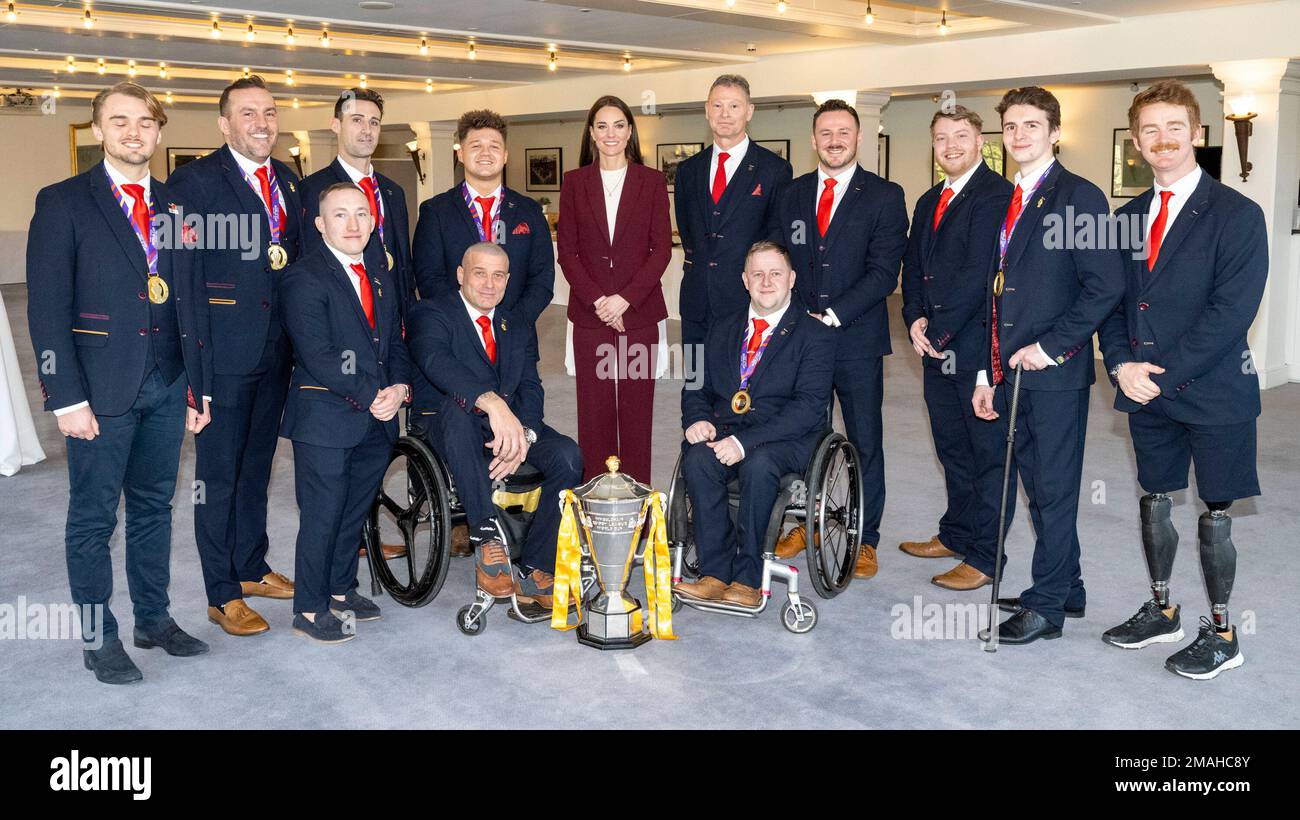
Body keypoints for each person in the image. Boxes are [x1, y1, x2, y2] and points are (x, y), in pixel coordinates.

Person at [27, 81, 211, 683]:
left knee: (155, 507)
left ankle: (152, 620)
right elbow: (47, 310)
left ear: (159, 133)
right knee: (93, 517)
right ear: (98, 130)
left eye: (146, 122)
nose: (135, 132)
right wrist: (64, 398)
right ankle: (97, 637)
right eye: (121, 121)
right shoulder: (63, 202)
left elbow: (188, 300)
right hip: (97, 393)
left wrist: (196, 387)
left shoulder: (179, 207)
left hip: (167, 382)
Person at [1097, 80, 1266, 679]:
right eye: (1150, 131)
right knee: (1156, 498)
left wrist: (1157, 377)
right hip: (1144, 391)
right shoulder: (1126, 218)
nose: (1162, 140)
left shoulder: (1238, 215)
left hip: (1213, 393)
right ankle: (1163, 609)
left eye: (1175, 128)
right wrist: (1120, 365)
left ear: (1197, 134)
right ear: (1137, 145)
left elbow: (1230, 314)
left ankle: (1223, 633)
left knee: (1214, 510)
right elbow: (1111, 304)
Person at [972, 86, 1126, 644]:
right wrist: (988, 371)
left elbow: (1104, 285)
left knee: (1055, 487)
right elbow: (994, 296)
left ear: (1055, 132)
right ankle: (1069, 585)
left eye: (1031, 125)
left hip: (1054, 373)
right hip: (1009, 368)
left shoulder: (1080, 197)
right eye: (1010, 127)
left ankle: (1047, 607)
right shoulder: (1005, 200)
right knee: (1037, 483)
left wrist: (1053, 347)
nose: (1019, 136)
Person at [168, 75, 303, 637]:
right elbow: (181, 277)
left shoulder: (290, 184)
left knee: (257, 468)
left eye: (269, 113)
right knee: (217, 478)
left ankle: (250, 565)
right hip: (220, 354)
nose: (261, 124)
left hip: (277, 351)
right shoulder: (192, 182)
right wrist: (191, 372)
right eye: (248, 114)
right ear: (224, 124)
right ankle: (220, 593)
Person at [771, 98, 909, 580]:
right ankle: (805, 522)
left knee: (864, 439)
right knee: (804, 433)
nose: (834, 140)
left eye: (843, 133)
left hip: (855, 341)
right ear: (814, 140)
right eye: (825, 133)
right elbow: (779, 261)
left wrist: (831, 315)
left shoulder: (885, 196)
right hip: (799, 345)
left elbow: (883, 272)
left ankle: (864, 537)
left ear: (858, 138)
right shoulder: (790, 195)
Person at [406, 242, 583, 607]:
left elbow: (532, 387)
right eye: (479, 273)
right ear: (460, 274)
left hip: (508, 425)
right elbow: (435, 360)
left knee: (567, 455)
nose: (489, 283)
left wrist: (527, 433)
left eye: (498, 275)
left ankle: (537, 565)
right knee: (458, 413)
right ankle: (487, 537)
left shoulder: (516, 321)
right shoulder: (430, 312)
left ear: (507, 279)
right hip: (446, 424)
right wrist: (491, 402)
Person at [278, 183, 411, 643]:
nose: (353, 224)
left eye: (361, 213)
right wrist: (373, 391)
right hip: (325, 418)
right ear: (320, 225)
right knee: (322, 513)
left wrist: (399, 387)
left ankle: (339, 589)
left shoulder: (378, 275)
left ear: (373, 222)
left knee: (354, 509)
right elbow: (319, 353)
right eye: (340, 215)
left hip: (375, 417)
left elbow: (393, 342)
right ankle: (310, 609)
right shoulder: (303, 277)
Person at [675, 241, 835, 607]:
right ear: (744, 280)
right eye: (757, 274)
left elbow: (809, 408)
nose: (766, 282)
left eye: (775, 273)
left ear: (792, 279)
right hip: (727, 428)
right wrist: (696, 419)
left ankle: (748, 578)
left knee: (759, 465)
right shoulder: (720, 327)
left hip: (786, 436)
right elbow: (696, 383)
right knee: (698, 458)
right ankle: (714, 572)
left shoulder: (817, 335)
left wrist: (745, 443)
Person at [898, 106, 1014, 591]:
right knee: (952, 448)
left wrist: (940, 329)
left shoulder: (998, 196)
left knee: (987, 454)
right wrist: (914, 318)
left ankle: (986, 557)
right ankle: (956, 533)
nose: (950, 146)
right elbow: (913, 267)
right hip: (936, 346)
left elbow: (979, 276)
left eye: (960, 136)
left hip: (978, 346)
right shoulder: (929, 200)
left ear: (980, 141)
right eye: (941, 138)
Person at [557, 95, 671, 483]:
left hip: (639, 315)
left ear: (629, 132)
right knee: (595, 413)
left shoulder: (652, 182)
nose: (611, 134)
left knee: (637, 415)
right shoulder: (574, 183)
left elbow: (660, 250)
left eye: (619, 125)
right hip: (590, 318)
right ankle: (597, 507)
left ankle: (638, 510)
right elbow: (567, 252)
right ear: (591, 133)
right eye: (602, 126)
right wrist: (600, 302)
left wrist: (624, 299)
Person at [674, 74, 791, 354]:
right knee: (695, 380)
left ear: (749, 111)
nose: (725, 114)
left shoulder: (774, 169)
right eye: (717, 106)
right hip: (696, 299)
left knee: (740, 386)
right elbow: (688, 231)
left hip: (746, 300)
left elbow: (777, 236)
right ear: (706, 110)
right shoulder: (688, 171)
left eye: (734, 106)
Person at [413, 109, 553, 323]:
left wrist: (512, 323)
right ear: (460, 154)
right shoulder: (435, 211)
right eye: (476, 146)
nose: (485, 154)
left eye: (494, 147)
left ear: (505, 156)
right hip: (456, 334)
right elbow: (429, 278)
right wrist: (467, 322)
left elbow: (542, 279)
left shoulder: (529, 211)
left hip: (516, 334)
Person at [300, 87, 415, 317]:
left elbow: (404, 266)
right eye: (357, 120)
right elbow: (308, 263)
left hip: (393, 321)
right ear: (336, 125)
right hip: (342, 316)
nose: (367, 130)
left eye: (374, 122)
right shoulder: (311, 190)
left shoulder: (393, 192)